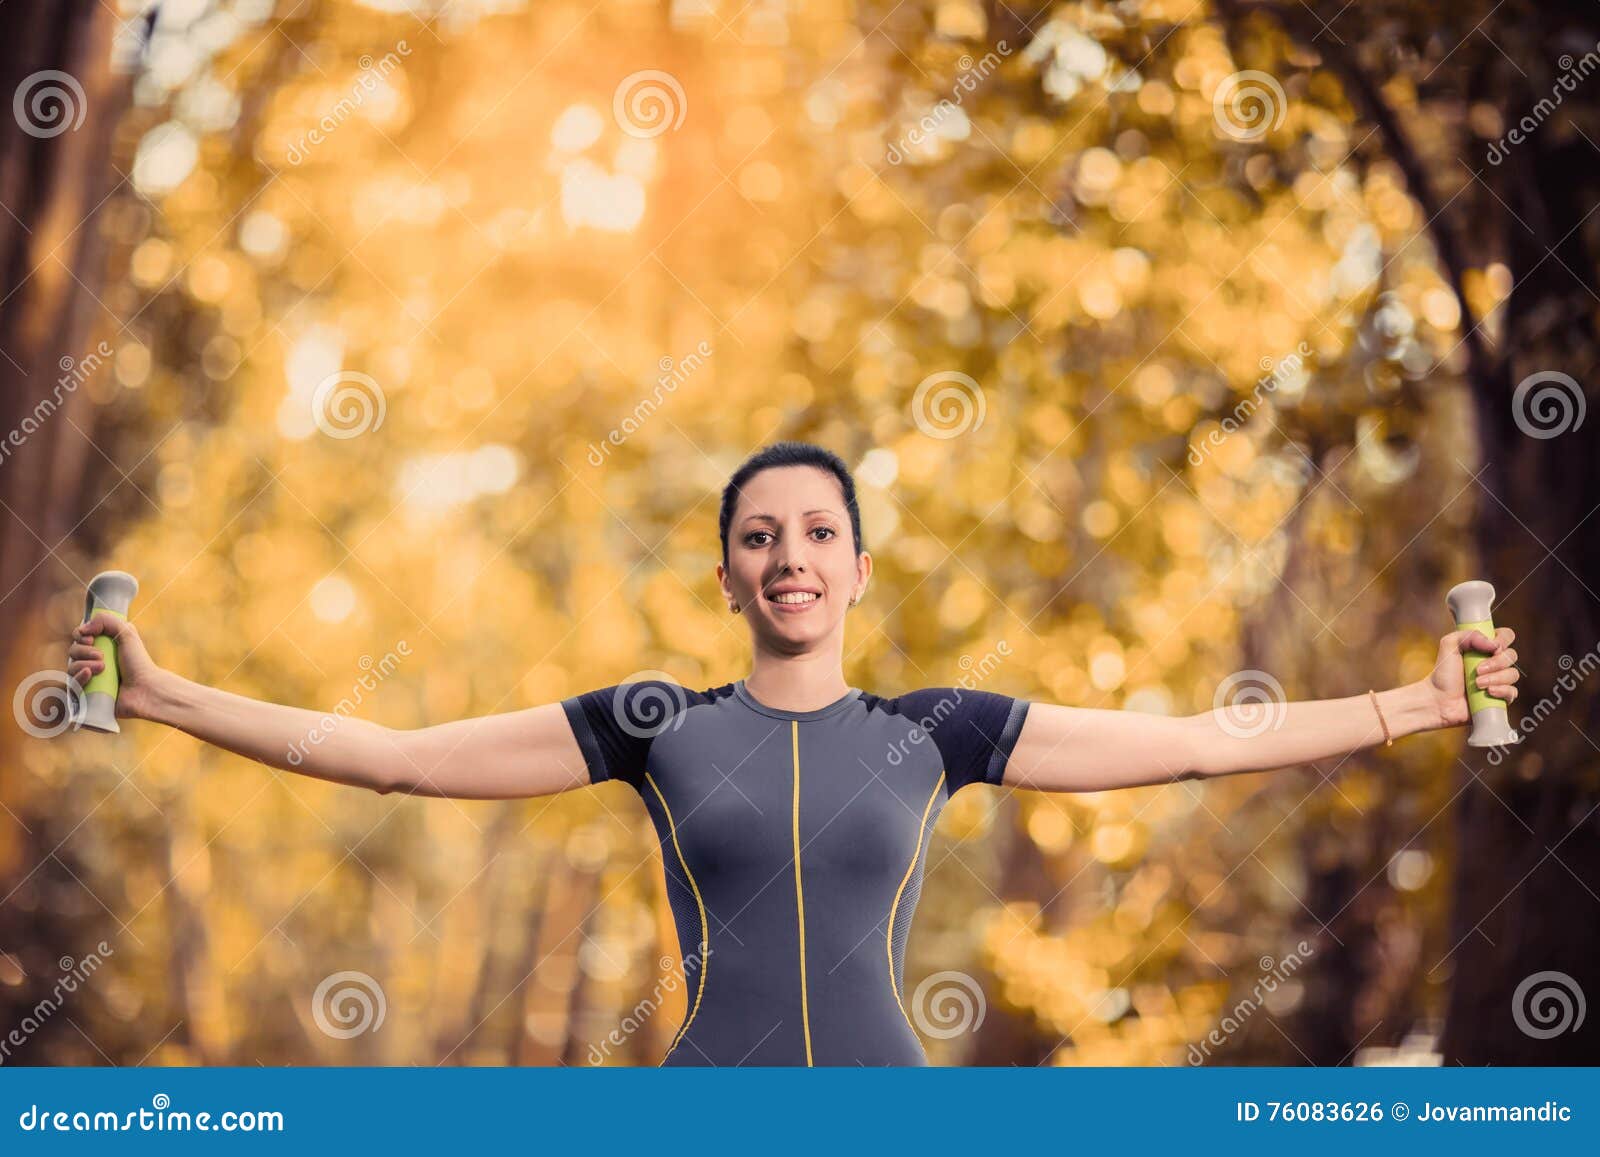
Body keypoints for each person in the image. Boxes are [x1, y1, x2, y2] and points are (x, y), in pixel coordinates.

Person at [66, 440, 1521, 1066]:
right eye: (759, 534)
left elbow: (1205, 741)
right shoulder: (655, 724)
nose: (790, 554)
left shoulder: (937, 733)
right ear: (728, 577)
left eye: (818, 530)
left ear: (858, 567)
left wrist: (1416, 702)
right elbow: (391, 756)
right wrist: (169, 692)